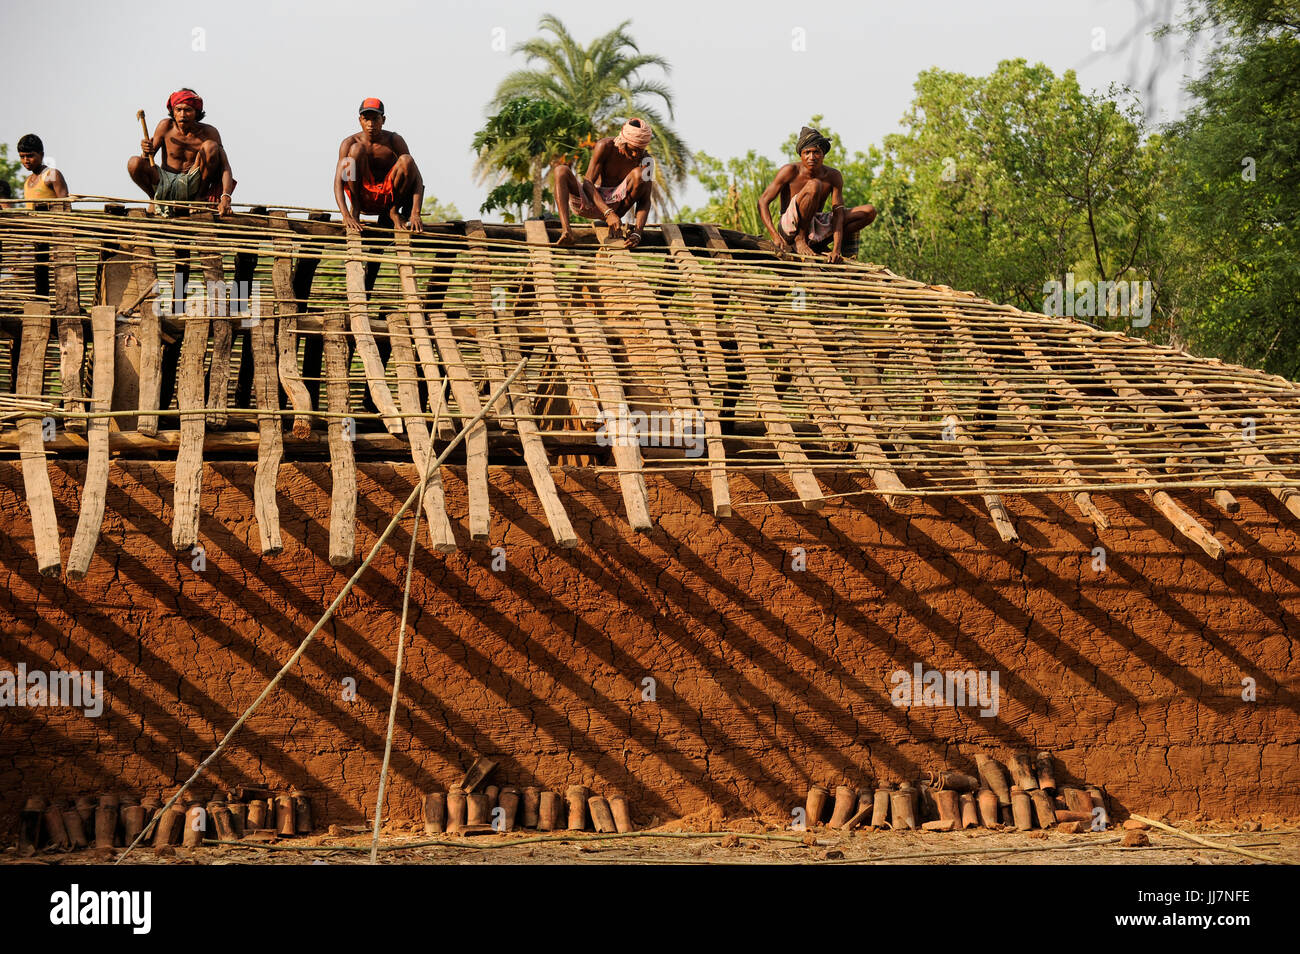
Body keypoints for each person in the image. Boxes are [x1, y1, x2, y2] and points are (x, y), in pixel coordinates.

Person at [758, 126, 876, 264]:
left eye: (816, 152)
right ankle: (800, 240)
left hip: (815, 226)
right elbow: (762, 202)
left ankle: (818, 245)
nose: (811, 157)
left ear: (823, 154)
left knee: (869, 211)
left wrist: (836, 250)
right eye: (807, 152)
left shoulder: (833, 176)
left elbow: (838, 215)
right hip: (790, 228)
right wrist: (775, 236)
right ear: (800, 155)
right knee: (814, 185)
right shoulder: (789, 171)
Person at [128, 89, 236, 216]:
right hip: (164, 181)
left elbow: (225, 167)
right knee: (134, 162)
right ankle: (155, 199)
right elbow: (146, 161)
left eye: (188, 110)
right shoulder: (165, 126)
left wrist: (225, 197)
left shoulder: (209, 132)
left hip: (194, 183)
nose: (182, 114)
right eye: (178, 109)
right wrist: (146, 151)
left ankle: (199, 199)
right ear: (173, 112)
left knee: (210, 146)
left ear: (197, 112)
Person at [553, 118, 654, 249]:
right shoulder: (605, 146)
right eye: (632, 149)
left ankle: (615, 221)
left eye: (640, 150)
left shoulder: (646, 160)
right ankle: (567, 231)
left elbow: (645, 201)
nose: (635, 154)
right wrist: (608, 213)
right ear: (623, 142)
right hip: (590, 201)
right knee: (561, 171)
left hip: (617, 206)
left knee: (640, 174)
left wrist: (637, 233)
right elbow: (588, 182)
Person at [334, 98, 424, 232]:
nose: (371, 124)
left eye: (375, 119)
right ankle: (356, 209)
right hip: (362, 198)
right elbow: (339, 182)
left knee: (406, 160)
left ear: (383, 120)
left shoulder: (394, 140)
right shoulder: (349, 143)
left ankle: (393, 211)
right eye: (366, 119)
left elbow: (417, 179)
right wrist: (346, 215)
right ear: (360, 121)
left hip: (389, 199)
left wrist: (415, 213)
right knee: (355, 150)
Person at [16, 134, 70, 209]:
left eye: (30, 156)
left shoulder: (52, 175)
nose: (26, 160)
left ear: (41, 155)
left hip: (49, 220)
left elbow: (65, 207)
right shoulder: (27, 181)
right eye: (22, 157)